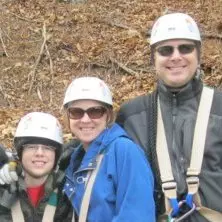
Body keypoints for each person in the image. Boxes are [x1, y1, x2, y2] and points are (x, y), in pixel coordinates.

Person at [116, 12, 222, 222]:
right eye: (165, 50)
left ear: (198, 55)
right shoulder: (133, 115)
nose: (176, 56)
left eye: (185, 48)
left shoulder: (219, 107)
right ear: (153, 58)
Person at [62, 76, 155, 221]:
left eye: (95, 111)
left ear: (108, 115)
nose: (85, 120)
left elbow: (136, 215)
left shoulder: (124, 151)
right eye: (76, 112)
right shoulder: (75, 158)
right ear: (67, 117)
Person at [0, 112, 73, 221]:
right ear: (20, 153)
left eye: (48, 147)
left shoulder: (68, 192)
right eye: (31, 146)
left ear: (56, 156)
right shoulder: (4, 189)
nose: (40, 153)